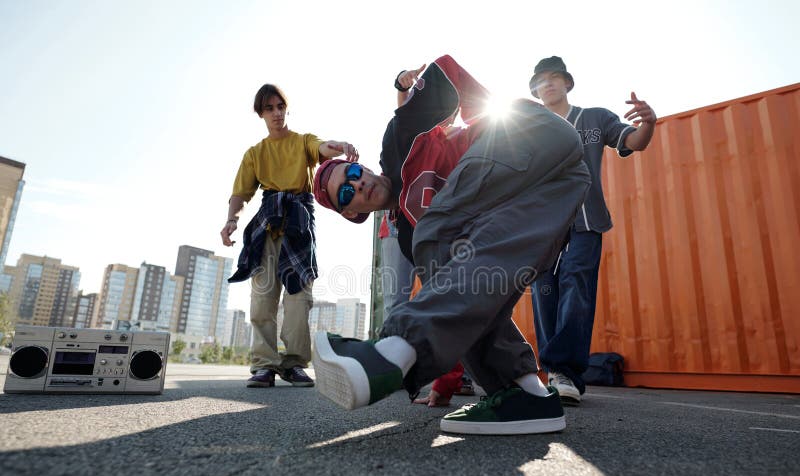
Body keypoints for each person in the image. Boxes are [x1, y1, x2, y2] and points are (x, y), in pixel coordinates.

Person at [310, 55, 592, 435]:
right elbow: (460, 306)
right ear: (351, 213)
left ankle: (391, 352)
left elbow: (445, 70)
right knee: (465, 283)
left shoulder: (398, 142)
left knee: (432, 239)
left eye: (354, 172)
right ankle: (525, 393)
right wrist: (444, 384)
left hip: (530, 134)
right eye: (346, 192)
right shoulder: (410, 238)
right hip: (560, 186)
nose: (358, 184)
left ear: (367, 167)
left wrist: (496, 121)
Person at [527, 57, 656, 405]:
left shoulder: (595, 119)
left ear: (567, 83)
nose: (548, 83)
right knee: (544, 292)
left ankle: (565, 372)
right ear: (535, 91)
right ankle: (553, 373)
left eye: (554, 77)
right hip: (540, 226)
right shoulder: (526, 129)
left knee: (575, 284)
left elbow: (635, 141)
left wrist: (649, 122)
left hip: (585, 221)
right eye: (541, 80)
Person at [221, 83, 358, 388]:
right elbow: (241, 193)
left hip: (298, 227)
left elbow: (322, 147)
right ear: (261, 113)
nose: (276, 113)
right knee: (262, 300)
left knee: (299, 301)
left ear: (286, 109)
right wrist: (231, 220)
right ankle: (264, 366)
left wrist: (338, 145)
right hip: (267, 228)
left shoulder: (302, 141)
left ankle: (295, 363)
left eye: (280, 107)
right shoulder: (255, 153)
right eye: (269, 108)